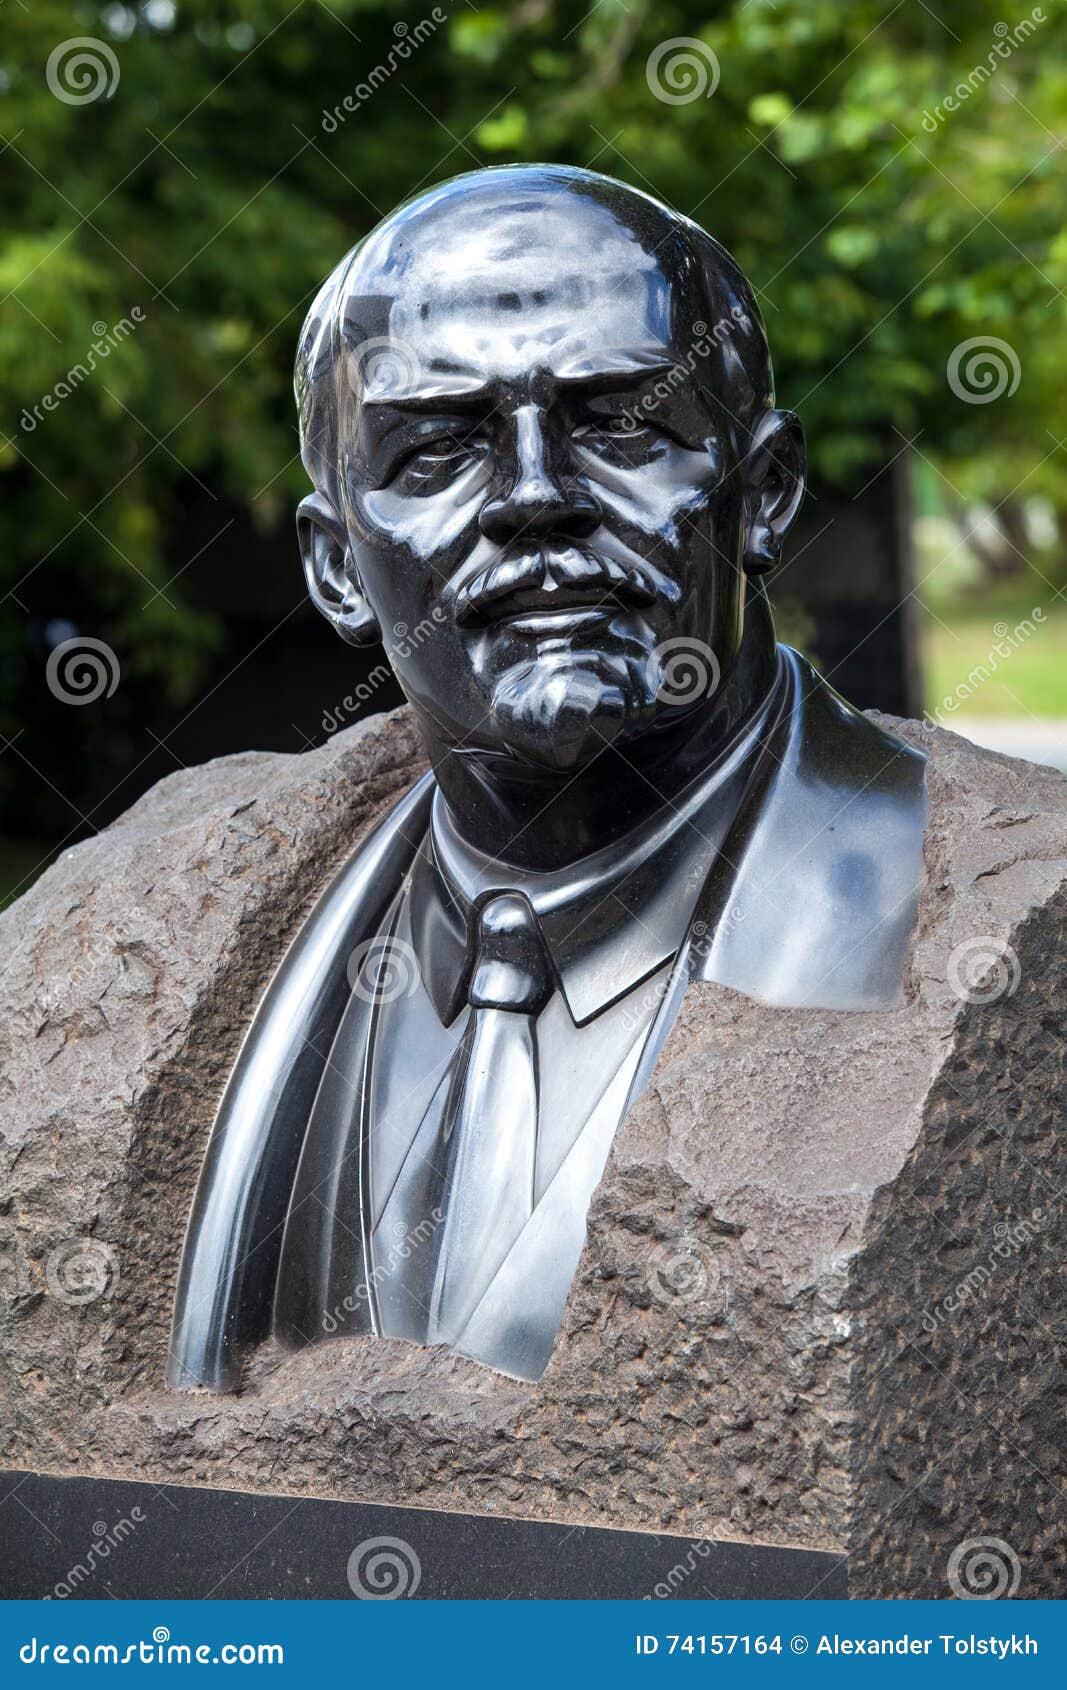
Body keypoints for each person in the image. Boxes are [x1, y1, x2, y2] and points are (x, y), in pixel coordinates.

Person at [168, 166, 926, 1392]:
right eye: (434, 455)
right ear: (337, 569)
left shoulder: (940, 896)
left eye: (621, 426)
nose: (533, 499)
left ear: (765, 492)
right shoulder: (240, 928)